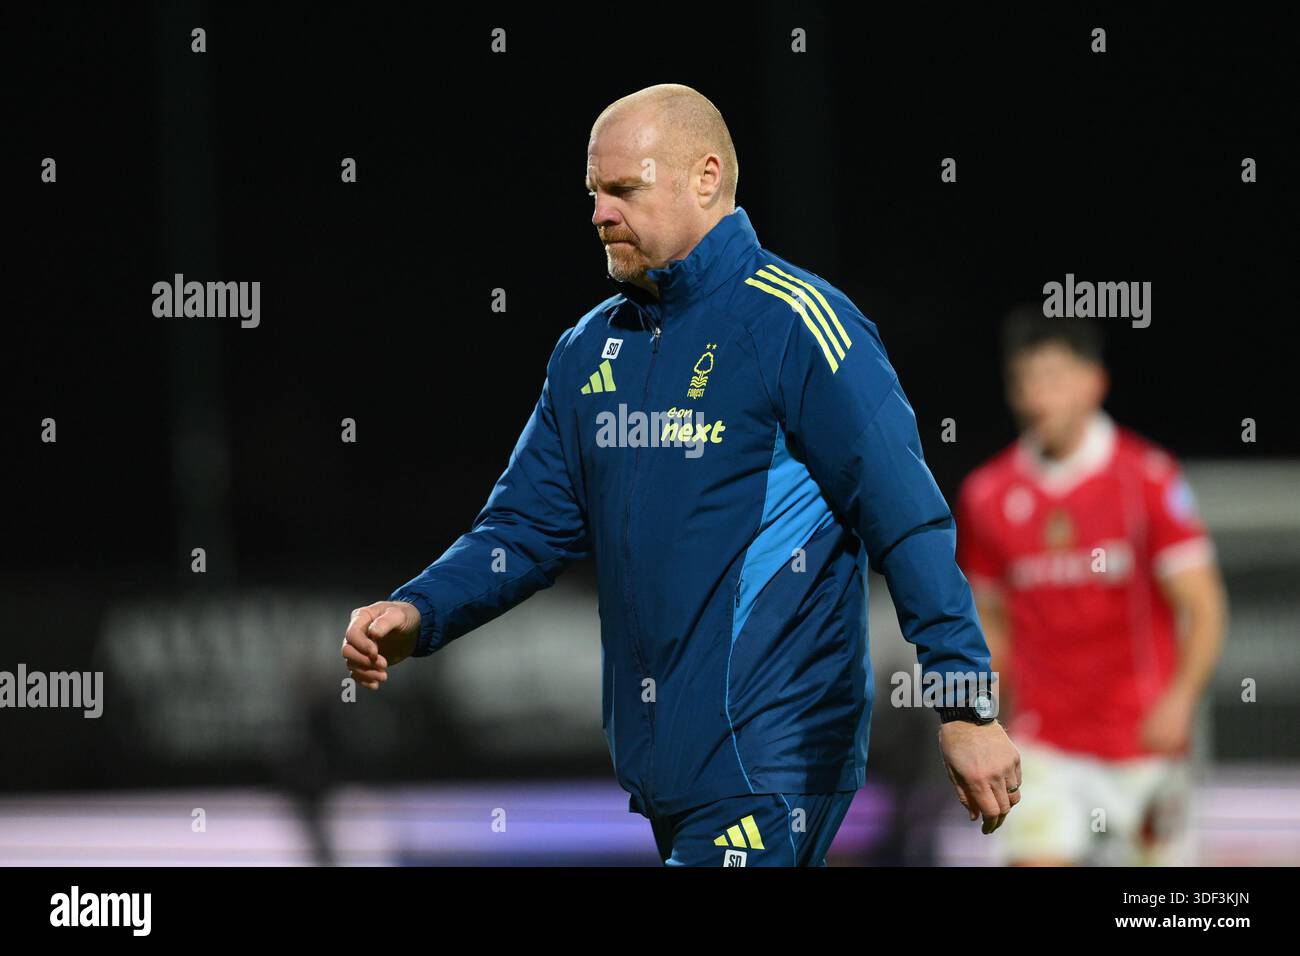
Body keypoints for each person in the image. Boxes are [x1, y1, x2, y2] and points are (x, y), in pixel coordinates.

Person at [342, 83, 1019, 866]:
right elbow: (523, 529)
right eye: (593, 190)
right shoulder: (588, 351)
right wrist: (420, 610)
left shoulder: (797, 324)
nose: (598, 212)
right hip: (667, 772)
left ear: (704, 179)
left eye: (624, 189)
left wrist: (964, 705)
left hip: (774, 755)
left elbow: (908, 521)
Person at [956, 307, 1227, 865]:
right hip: (1043, 742)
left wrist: (1181, 700)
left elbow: (1203, 605)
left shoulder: (1147, 478)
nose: (1037, 396)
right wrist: (981, 712)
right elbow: (987, 617)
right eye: (1024, 381)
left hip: (1142, 742)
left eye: (1052, 378)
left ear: (1093, 381)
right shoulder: (987, 494)